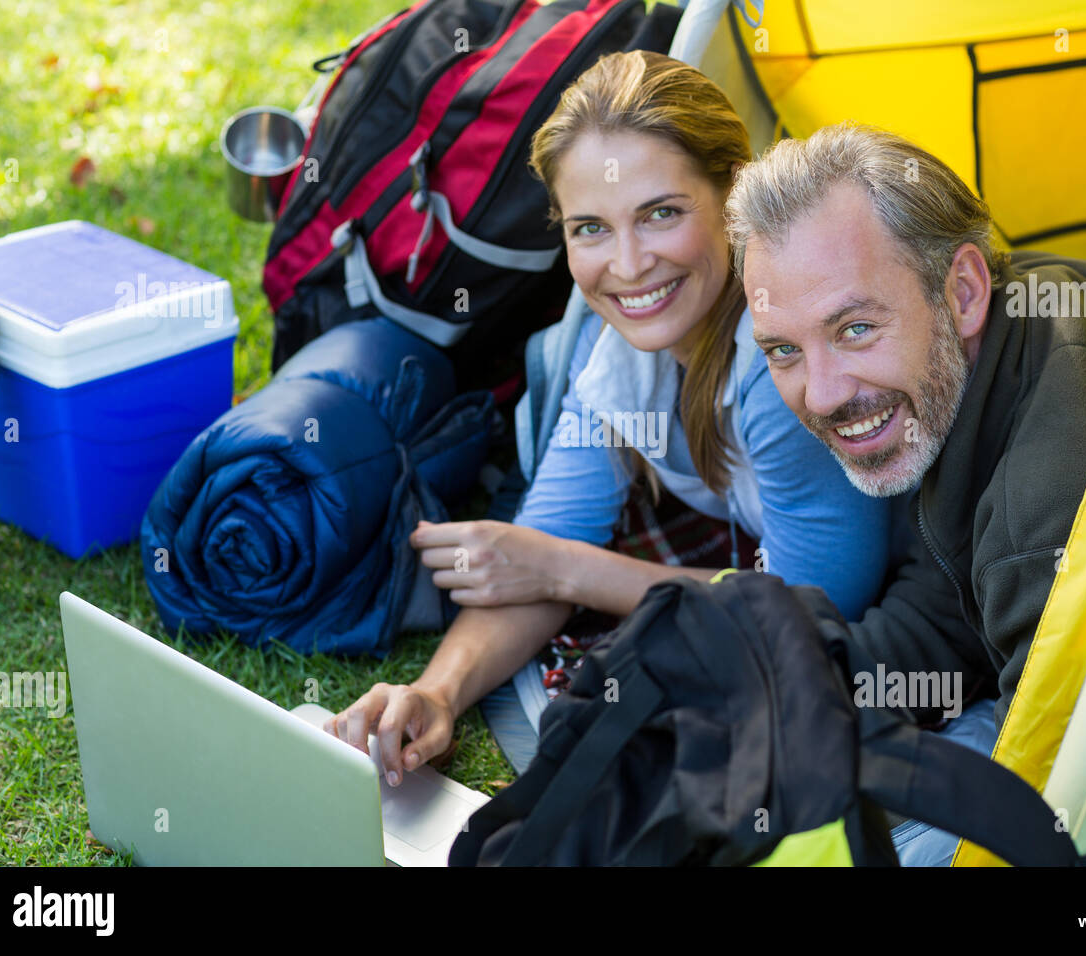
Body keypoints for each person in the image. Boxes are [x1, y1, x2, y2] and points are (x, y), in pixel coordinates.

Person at [326, 55, 892, 783]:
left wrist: (571, 570)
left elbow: (815, 609)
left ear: (733, 195)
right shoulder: (614, 342)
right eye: (591, 228)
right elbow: (541, 547)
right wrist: (437, 693)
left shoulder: (780, 357)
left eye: (661, 214)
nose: (628, 265)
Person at [724, 121, 1086, 864]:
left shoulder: (1040, 528)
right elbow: (939, 618)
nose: (822, 395)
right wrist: (752, 699)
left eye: (855, 328)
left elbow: (1081, 814)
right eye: (784, 349)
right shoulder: (1010, 327)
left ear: (963, 291)